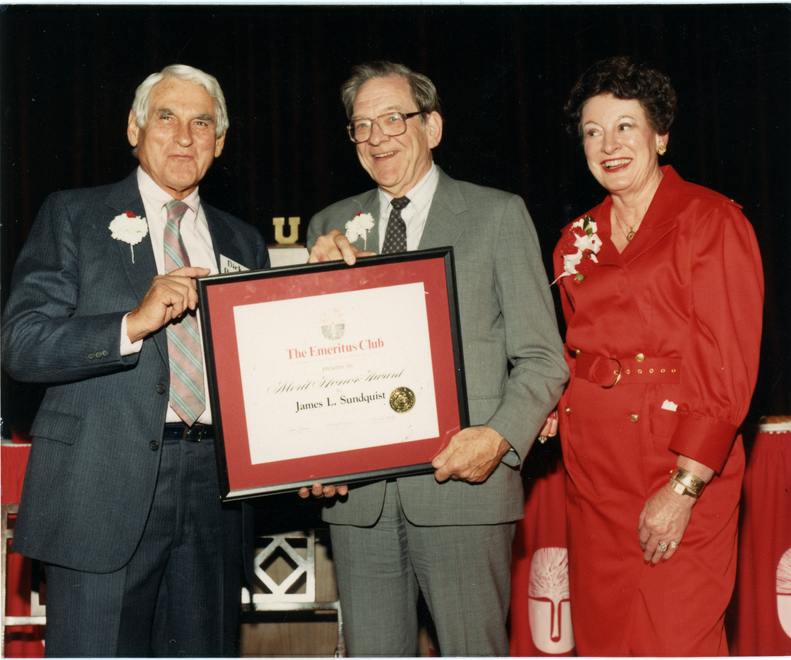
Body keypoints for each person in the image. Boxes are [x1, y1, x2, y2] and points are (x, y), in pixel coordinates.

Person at [301, 61, 568, 656]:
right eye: (361, 125)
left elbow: (544, 357)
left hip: (465, 492)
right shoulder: (328, 228)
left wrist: (498, 438)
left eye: (393, 118)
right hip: (359, 502)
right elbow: (312, 364)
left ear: (434, 127)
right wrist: (312, 450)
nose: (377, 137)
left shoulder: (498, 215)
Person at [2, 64, 269, 657]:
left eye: (202, 123)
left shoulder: (244, 242)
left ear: (219, 143)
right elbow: (21, 344)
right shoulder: (72, 215)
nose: (183, 136)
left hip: (215, 496)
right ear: (134, 128)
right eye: (166, 117)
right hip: (100, 491)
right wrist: (131, 323)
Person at [552, 56, 763, 655]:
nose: (608, 144)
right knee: (604, 640)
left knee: (676, 636)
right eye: (593, 131)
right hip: (594, 477)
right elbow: (572, 348)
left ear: (660, 136)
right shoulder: (574, 239)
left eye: (625, 126)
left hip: (676, 467)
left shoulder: (710, 220)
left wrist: (683, 488)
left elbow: (727, 369)